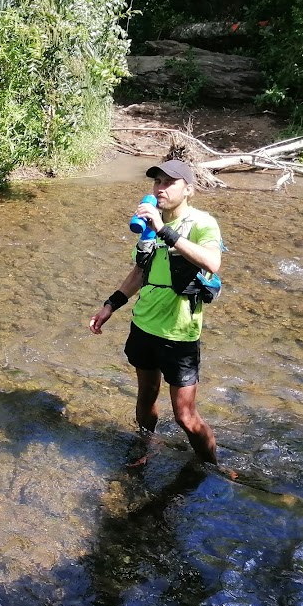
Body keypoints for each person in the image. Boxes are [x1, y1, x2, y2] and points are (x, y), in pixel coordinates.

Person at [88, 156, 223, 466]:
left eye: (169, 183)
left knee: (185, 416)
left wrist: (164, 230)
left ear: (188, 189)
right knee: (146, 396)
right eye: (157, 182)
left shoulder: (201, 223)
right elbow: (140, 272)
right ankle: (146, 447)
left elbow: (212, 262)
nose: (160, 188)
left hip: (179, 333)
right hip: (143, 326)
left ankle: (212, 465)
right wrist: (110, 305)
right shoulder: (149, 227)